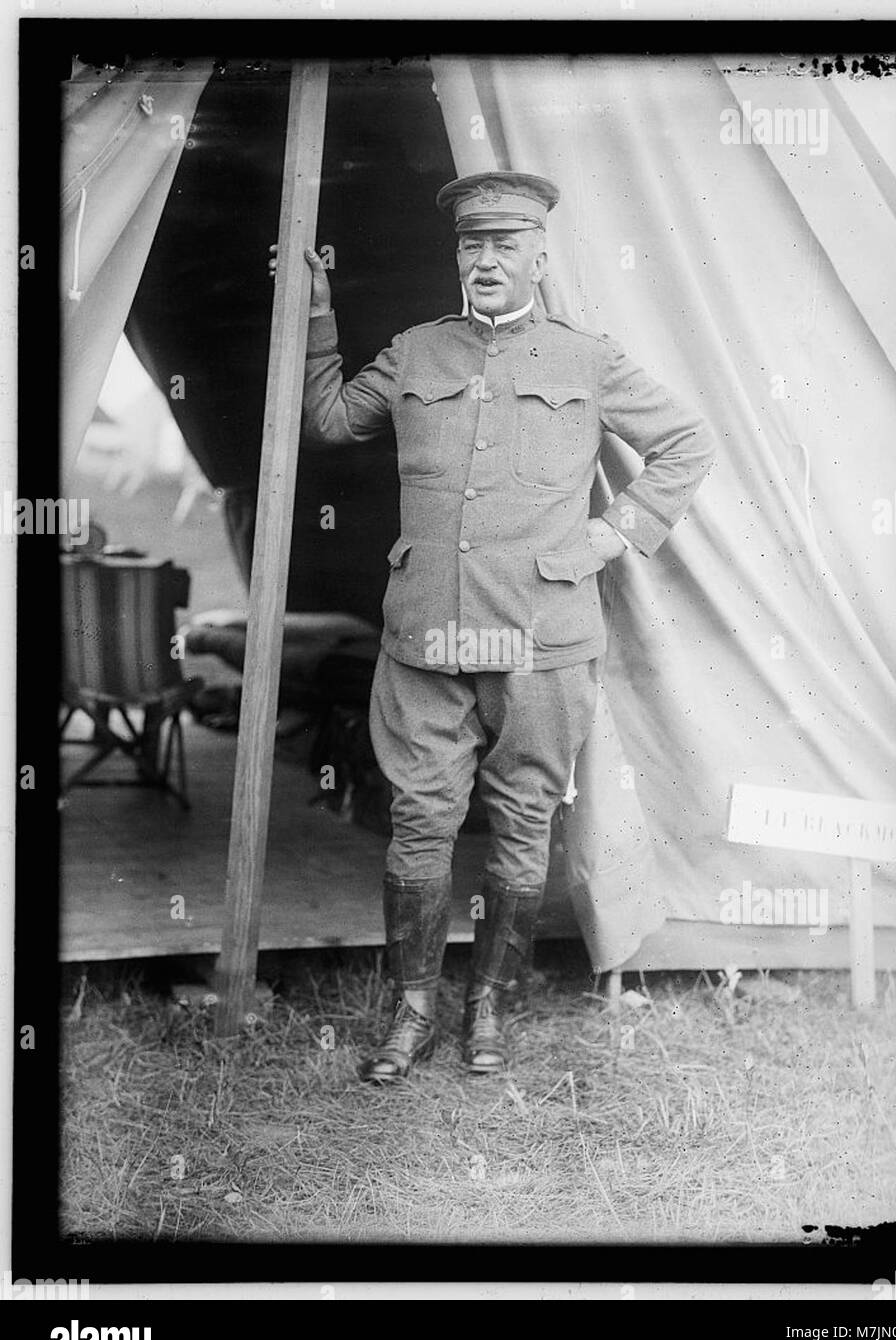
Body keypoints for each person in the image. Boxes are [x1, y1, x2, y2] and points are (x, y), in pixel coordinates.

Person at [278, 170, 717, 1082]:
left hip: (542, 637)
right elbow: (324, 420)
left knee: (522, 821)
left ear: (539, 257)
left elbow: (687, 441)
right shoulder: (415, 353)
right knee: (419, 821)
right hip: (426, 640)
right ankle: (411, 1010)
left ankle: (489, 1009)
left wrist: (611, 534)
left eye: (504, 245)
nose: (485, 260)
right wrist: (316, 314)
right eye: (472, 245)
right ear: (458, 256)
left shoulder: (588, 360)